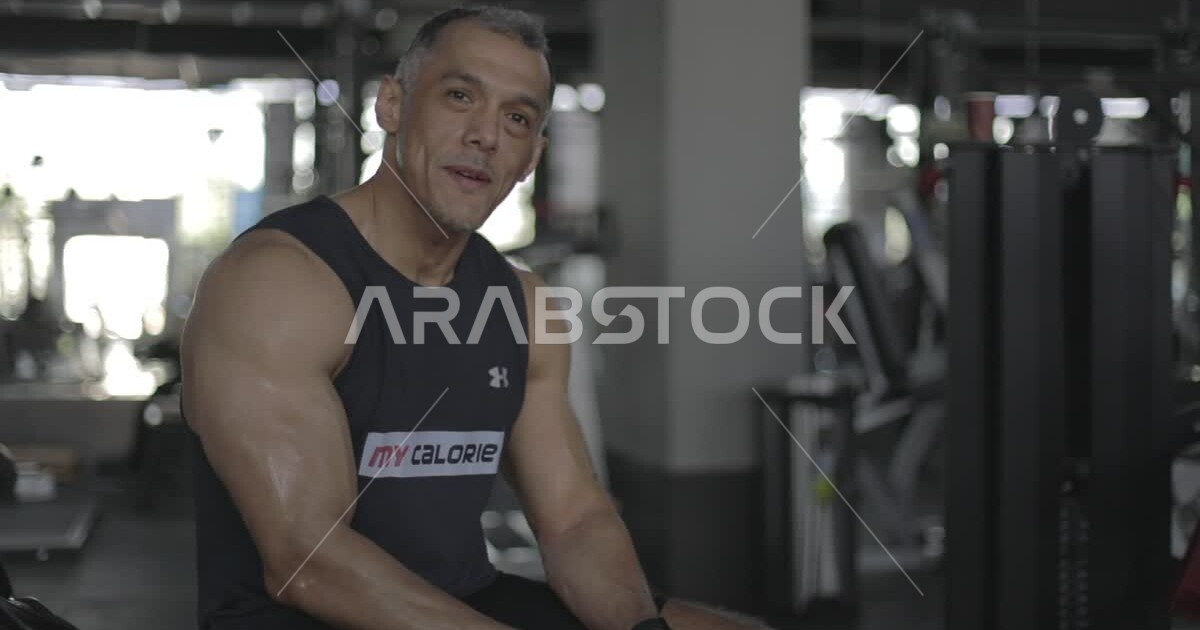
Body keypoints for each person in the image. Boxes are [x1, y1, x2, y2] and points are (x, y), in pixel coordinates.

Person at [182, 6, 768, 630]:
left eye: (516, 118)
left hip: (462, 603)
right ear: (392, 107)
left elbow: (573, 519)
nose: (486, 135)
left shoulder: (523, 305)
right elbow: (310, 561)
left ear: (532, 155)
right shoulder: (281, 283)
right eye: (460, 96)